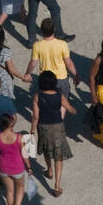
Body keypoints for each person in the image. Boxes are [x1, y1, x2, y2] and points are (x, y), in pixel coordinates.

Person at [31, 69, 75, 197]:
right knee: (58, 155)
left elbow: (35, 116)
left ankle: (49, 170)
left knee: (46, 149)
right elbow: (70, 109)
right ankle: (57, 185)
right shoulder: (59, 96)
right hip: (57, 128)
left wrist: (32, 130)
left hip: (43, 127)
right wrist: (74, 111)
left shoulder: (37, 97)